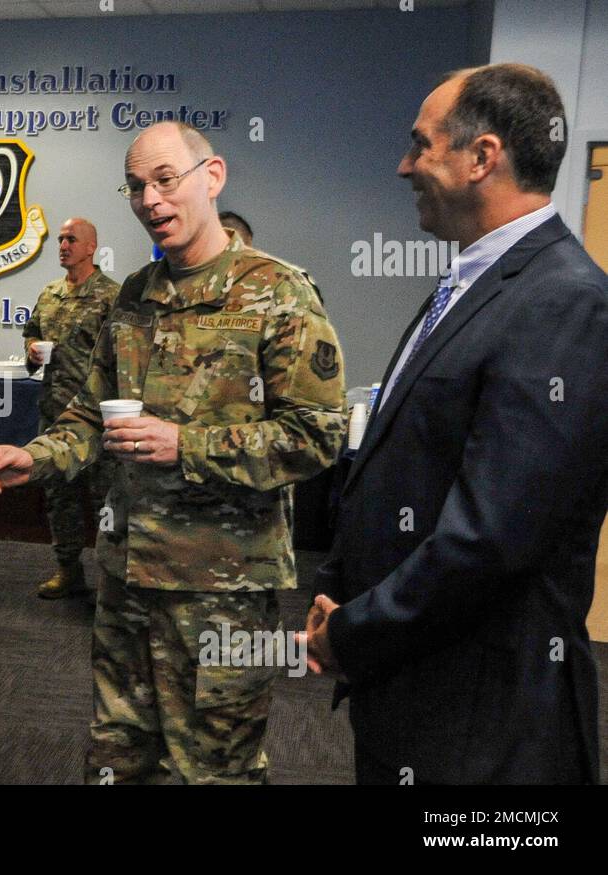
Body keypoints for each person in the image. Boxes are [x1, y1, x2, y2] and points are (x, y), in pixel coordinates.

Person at [0, 121, 347, 783]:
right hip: (128, 582)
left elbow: (316, 437)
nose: (150, 200)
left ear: (211, 176)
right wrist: (33, 458)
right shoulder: (135, 296)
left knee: (216, 770)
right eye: (136, 186)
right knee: (116, 760)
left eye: (165, 180)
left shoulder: (279, 293)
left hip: (221, 592)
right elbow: (86, 414)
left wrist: (185, 444)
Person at [303, 64, 608, 785]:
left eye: (420, 144)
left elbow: (493, 535)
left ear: (482, 157)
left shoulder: (563, 300)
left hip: (483, 725)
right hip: (416, 691)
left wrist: (354, 629)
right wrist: (341, 590)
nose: (404, 164)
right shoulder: (473, 280)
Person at [22, 217, 120, 599]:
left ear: (91, 247)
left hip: (97, 420)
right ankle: (68, 570)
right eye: (60, 239)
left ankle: (112, 579)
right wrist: (31, 351)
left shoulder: (112, 295)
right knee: (59, 498)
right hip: (55, 416)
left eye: (71, 239)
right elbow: (32, 332)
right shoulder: (50, 294)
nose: (63, 245)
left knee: (106, 501)